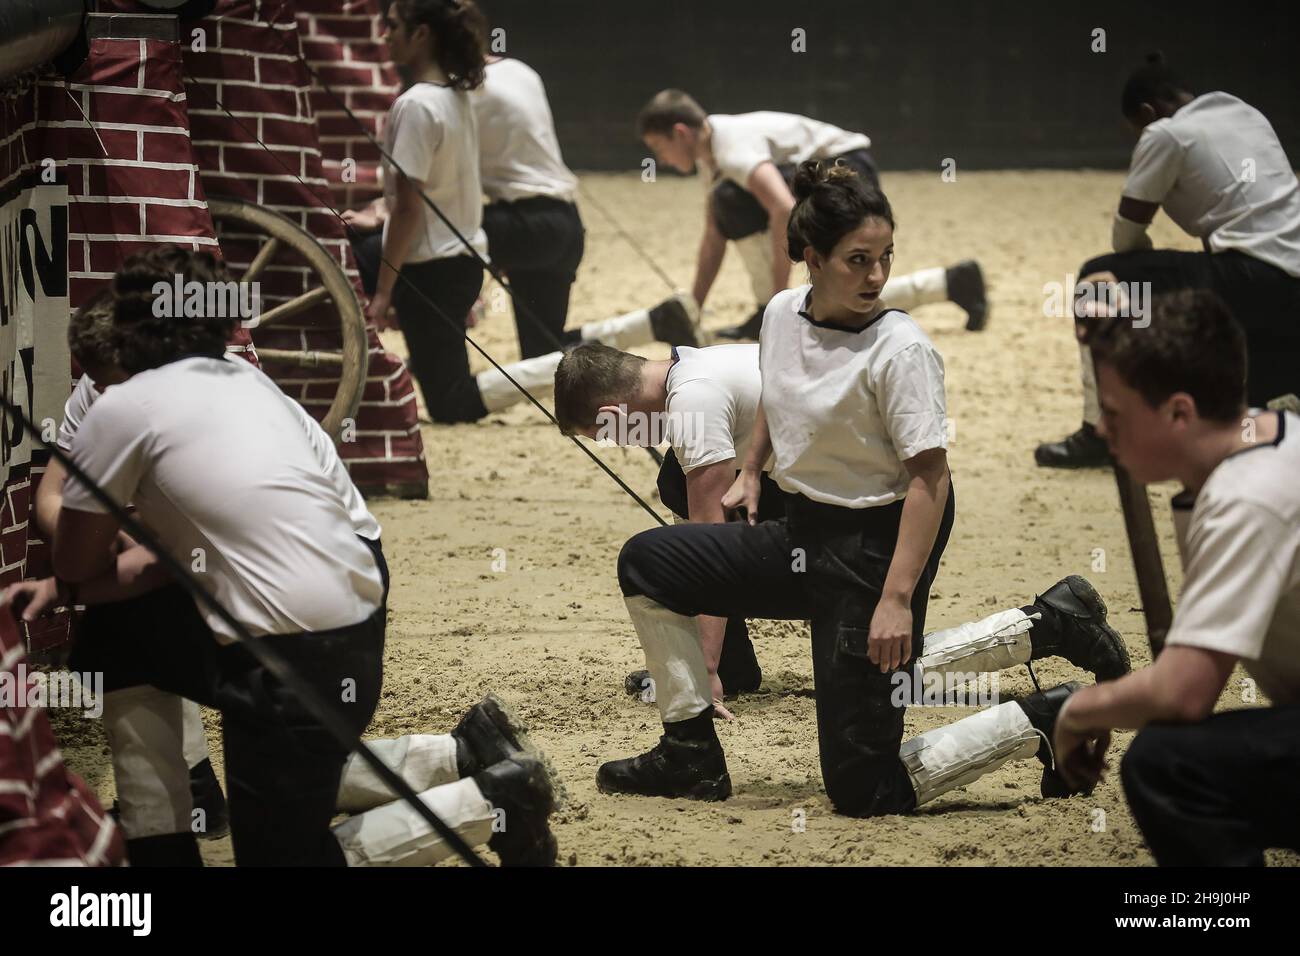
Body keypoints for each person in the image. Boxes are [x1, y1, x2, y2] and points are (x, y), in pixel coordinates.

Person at [5, 246, 554, 865]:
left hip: (290, 659)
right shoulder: (242, 379)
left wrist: (73, 580)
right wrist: (76, 587)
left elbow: (78, 560)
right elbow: (180, 556)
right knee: (122, 635)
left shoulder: (122, 408)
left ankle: (492, 801)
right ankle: (162, 837)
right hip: (345, 625)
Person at [596, 163, 1118, 814]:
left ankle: (1047, 715)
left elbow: (931, 475)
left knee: (863, 785)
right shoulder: (783, 312)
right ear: (812, 258)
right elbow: (773, 396)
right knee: (648, 562)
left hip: (879, 546)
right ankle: (689, 753)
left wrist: (896, 596)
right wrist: (752, 469)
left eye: (885, 258)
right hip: (802, 534)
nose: (876, 276)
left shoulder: (901, 350)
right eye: (858, 259)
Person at [554, 341, 1128, 714]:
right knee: (678, 487)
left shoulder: (693, 406)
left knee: (882, 676)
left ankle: (1048, 624)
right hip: (847, 501)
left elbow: (708, 555)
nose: (616, 444)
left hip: (892, 517)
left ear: (614, 411)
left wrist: (699, 672)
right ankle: (735, 660)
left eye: (605, 435)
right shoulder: (694, 367)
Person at [1053, 289, 1300, 866]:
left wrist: (1077, 711)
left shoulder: (1247, 499)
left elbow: (1181, 694)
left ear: (1179, 412)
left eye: (1115, 414)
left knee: (1168, 766)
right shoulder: (1272, 432)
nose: (1101, 430)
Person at [30, 291, 230, 863]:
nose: (101, 393)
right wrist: (101, 531)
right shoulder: (103, 391)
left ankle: (175, 804)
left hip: (264, 594)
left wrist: (94, 538)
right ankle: (181, 799)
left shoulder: (190, 400)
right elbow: (53, 496)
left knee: (287, 818)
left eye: (108, 378)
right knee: (118, 628)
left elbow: (175, 533)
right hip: (189, 563)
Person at [1035, 54, 1300, 468]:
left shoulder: (1164, 133)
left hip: (1251, 276)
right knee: (1254, 389)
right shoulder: (1243, 112)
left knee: (1097, 281)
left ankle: (1097, 432)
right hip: (1288, 283)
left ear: (1147, 112)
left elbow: (1125, 238)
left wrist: (1145, 284)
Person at [635, 89, 989, 339]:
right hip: (825, 168)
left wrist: (777, 303)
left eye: (657, 147)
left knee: (832, 297)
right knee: (727, 206)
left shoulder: (732, 148)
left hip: (846, 167)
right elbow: (714, 234)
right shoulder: (710, 155)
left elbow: (782, 207)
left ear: (680, 133)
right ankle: (952, 283)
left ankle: (768, 309)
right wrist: (693, 309)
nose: (660, 158)